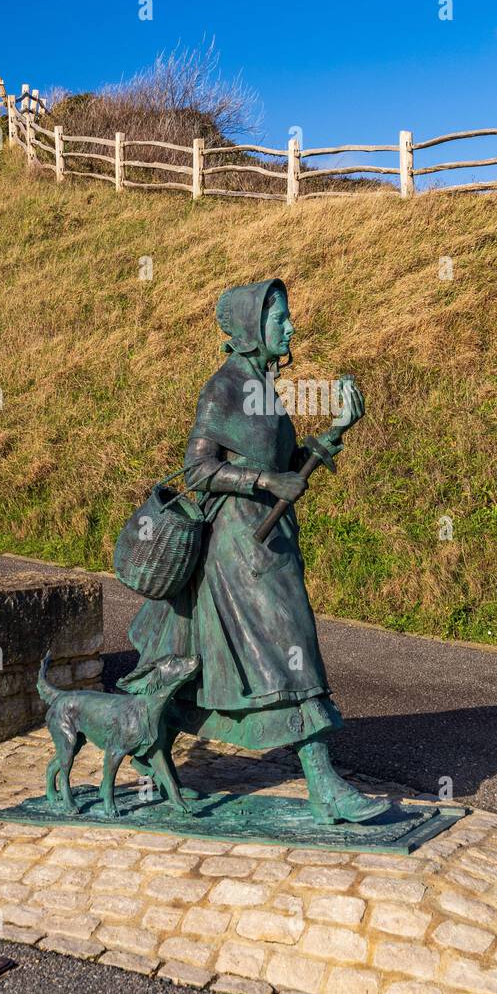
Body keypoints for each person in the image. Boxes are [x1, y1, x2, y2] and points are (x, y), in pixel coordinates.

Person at [121, 278, 389, 825]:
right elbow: (198, 469)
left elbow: (289, 466)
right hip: (238, 547)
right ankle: (325, 786)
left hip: (269, 542)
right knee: (293, 646)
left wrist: (337, 429)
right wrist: (264, 482)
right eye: (280, 318)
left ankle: (154, 744)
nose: (290, 326)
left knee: (209, 658)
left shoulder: (265, 390)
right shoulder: (223, 386)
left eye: (289, 316)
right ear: (249, 328)